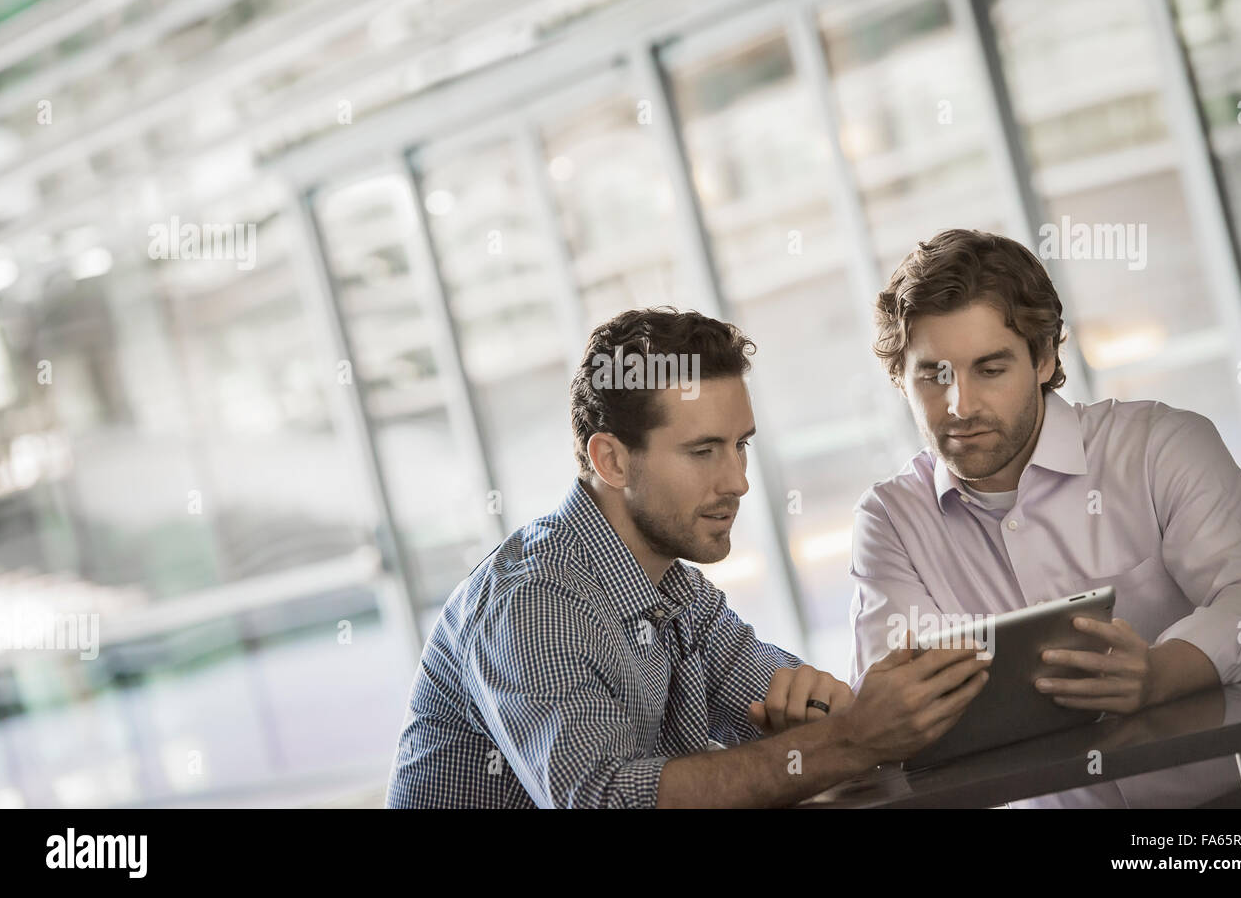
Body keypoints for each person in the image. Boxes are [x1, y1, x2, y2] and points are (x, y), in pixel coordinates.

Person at [387, 307, 989, 808]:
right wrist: (850, 740)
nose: (738, 482)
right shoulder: (531, 603)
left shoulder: (680, 595)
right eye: (703, 451)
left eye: (740, 446)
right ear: (612, 462)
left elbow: (799, 709)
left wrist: (844, 718)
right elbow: (607, 799)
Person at [850, 228, 1241, 807]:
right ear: (899, 381)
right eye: (934, 375)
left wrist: (1161, 672)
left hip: (1228, 811)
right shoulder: (889, 520)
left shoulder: (1160, 445)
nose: (960, 405)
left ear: (1044, 358)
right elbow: (894, 709)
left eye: (990, 368)